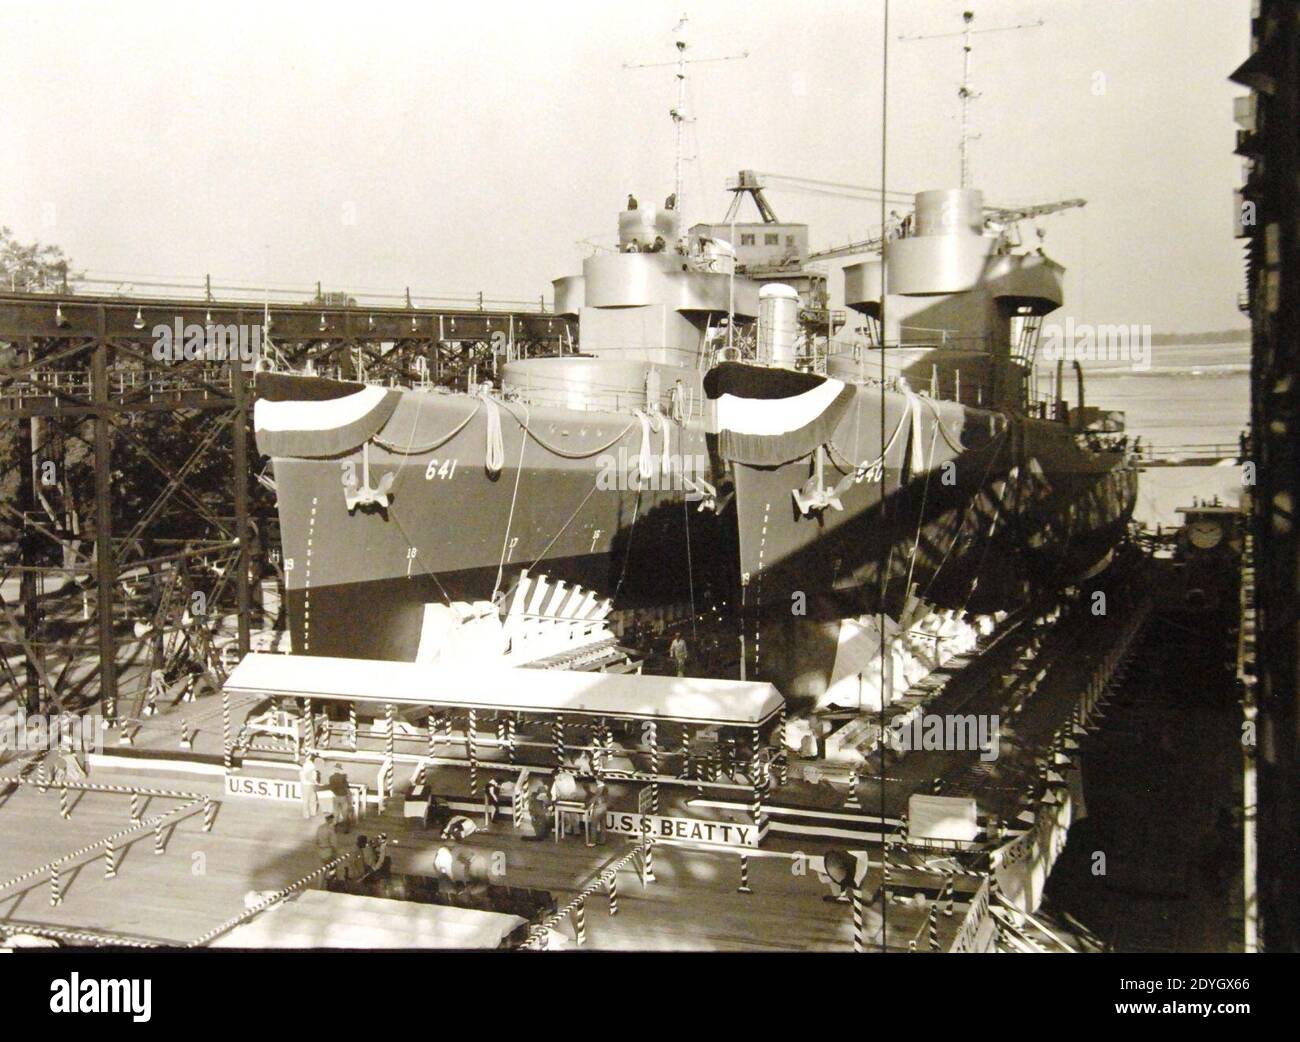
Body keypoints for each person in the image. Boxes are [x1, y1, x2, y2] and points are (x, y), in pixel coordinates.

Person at [328, 765, 353, 830]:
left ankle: (334, 827)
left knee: (335, 812)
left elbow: (331, 787)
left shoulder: (331, 777)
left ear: (334, 769)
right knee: (344, 812)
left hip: (335, 796)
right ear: (339, 770)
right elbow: (347, 786)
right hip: (343, 796)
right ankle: (346, 828)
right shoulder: (343, 777)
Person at [298, 752, 320, 819]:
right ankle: (313, 812)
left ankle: (306, 815)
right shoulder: (312, 765)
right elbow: (311, 776)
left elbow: (302, 774)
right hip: (311, 784)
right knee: (312, 799)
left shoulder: (305, 764)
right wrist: (315, 782)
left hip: (305, 784)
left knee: (306, 800)